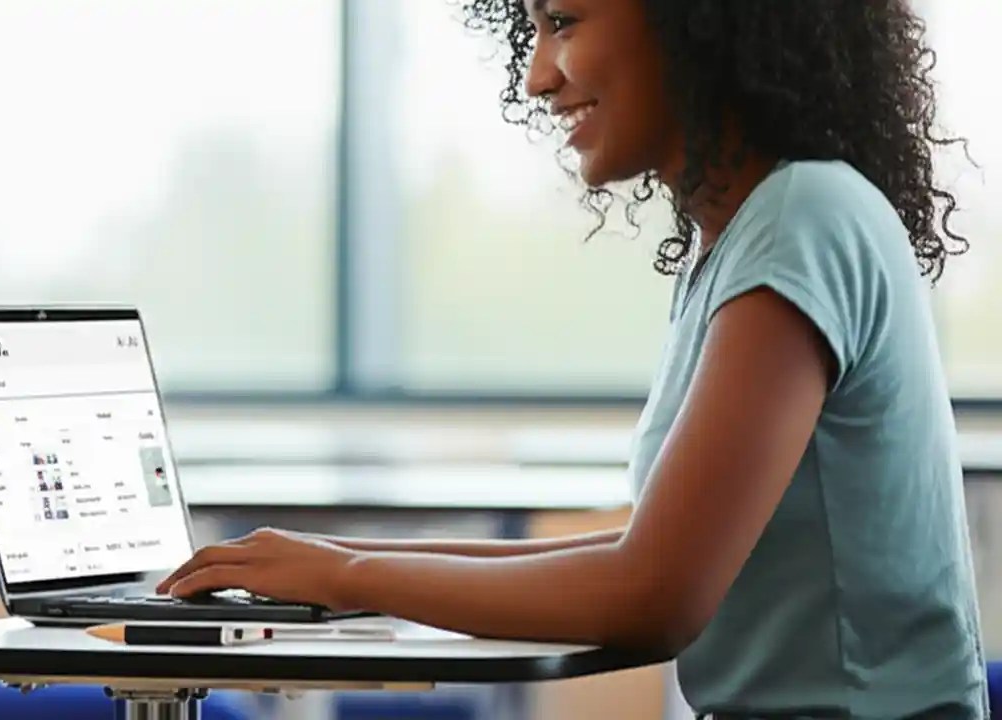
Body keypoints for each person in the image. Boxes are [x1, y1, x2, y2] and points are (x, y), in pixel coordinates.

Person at [158, 0, 988, 716]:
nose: (537, 78)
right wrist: (333, 565)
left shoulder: (802, 219)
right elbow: (639, 557)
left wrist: (353, 577)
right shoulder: (745, 238)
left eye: (563, 23)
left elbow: (653, 596)